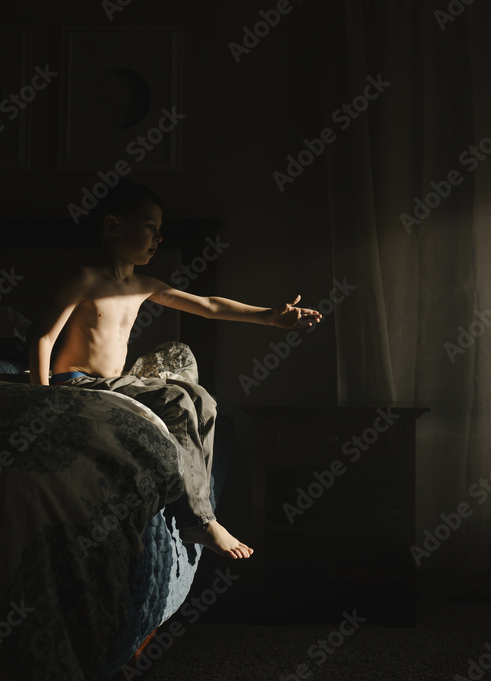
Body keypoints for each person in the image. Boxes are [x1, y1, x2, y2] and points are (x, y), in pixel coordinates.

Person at [29, 180, 321, 559]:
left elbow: (210, 305)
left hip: (114, 382)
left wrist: (269, 318)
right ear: (114, 226)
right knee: (176, 398)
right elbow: (42, 338)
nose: (159, 237)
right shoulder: (85, 278)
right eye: (150, 226)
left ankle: (202, 505)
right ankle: (198, 520)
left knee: (204, 401)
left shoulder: (141, 285)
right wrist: (42, 397)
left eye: (160, 229)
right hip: (78, 383)